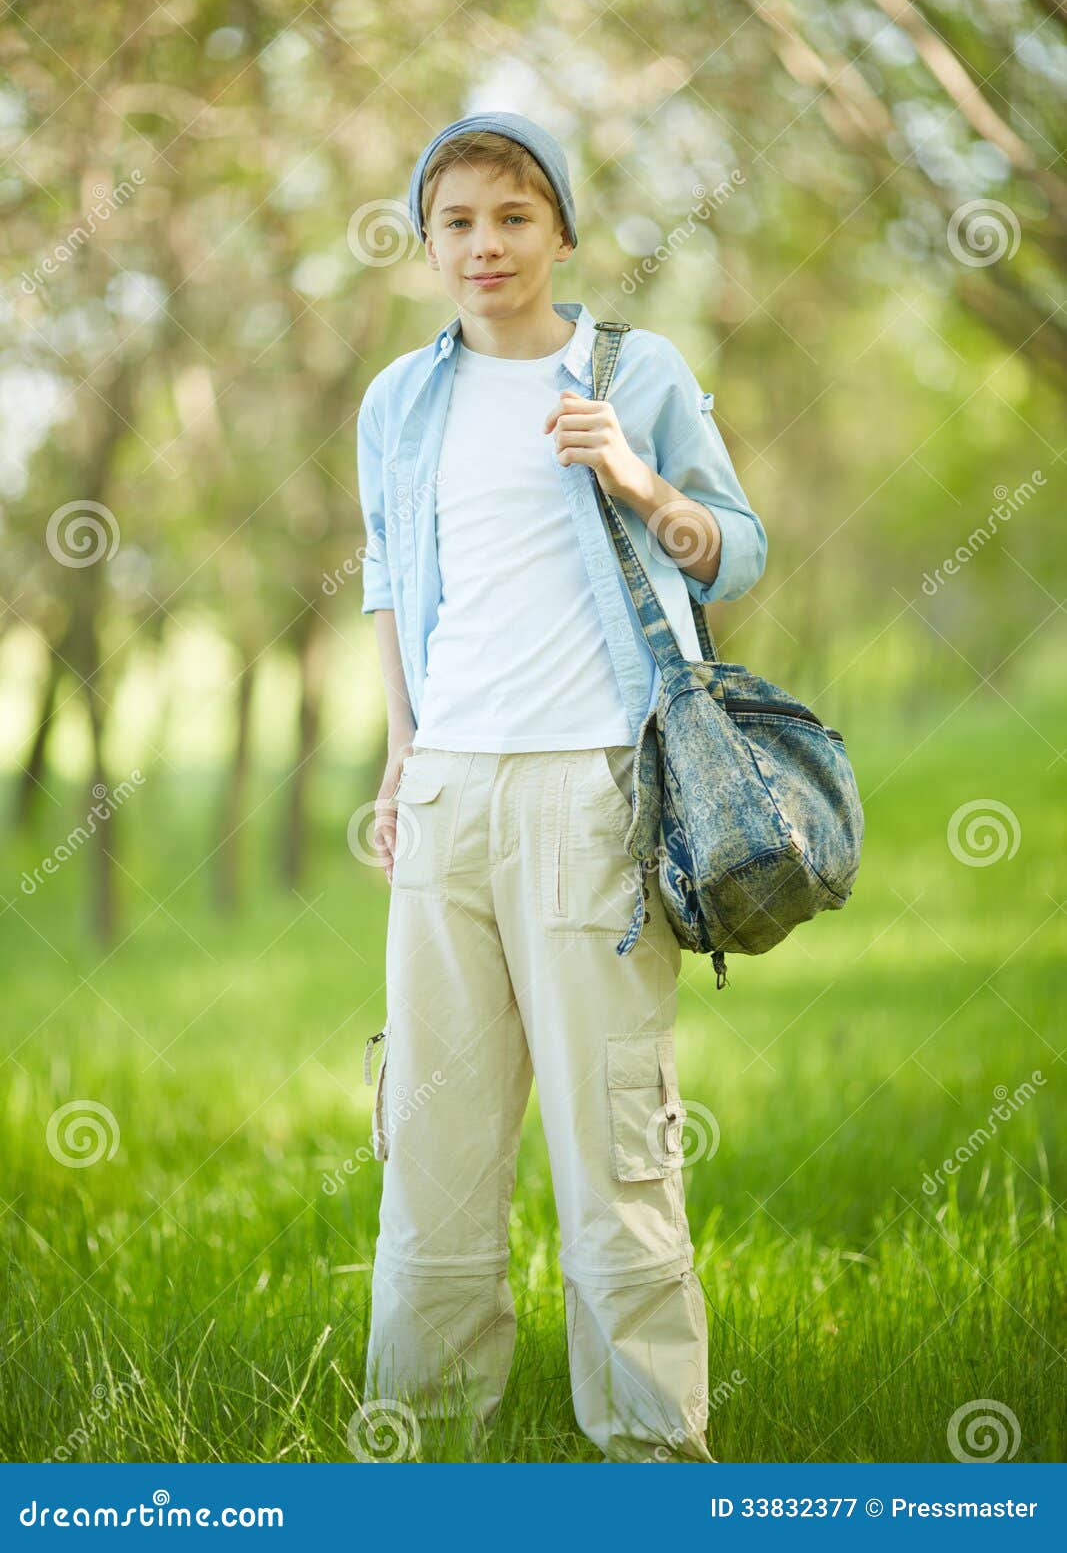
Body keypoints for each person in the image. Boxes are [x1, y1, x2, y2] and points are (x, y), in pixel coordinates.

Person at [355, 111, 767, 1462]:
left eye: (513, 217)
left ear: (562, 233)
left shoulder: (633, 370)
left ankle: (654, 1464)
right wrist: (402, 756)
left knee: (615, 1151)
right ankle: (417, 1453)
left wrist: (642, 481)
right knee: (432, 1151)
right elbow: (388, 586)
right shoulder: (398, 402)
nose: (485, 245)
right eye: (458, 221)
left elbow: (736, 550)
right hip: (448, 801)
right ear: (428, 243)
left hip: (597, 791)